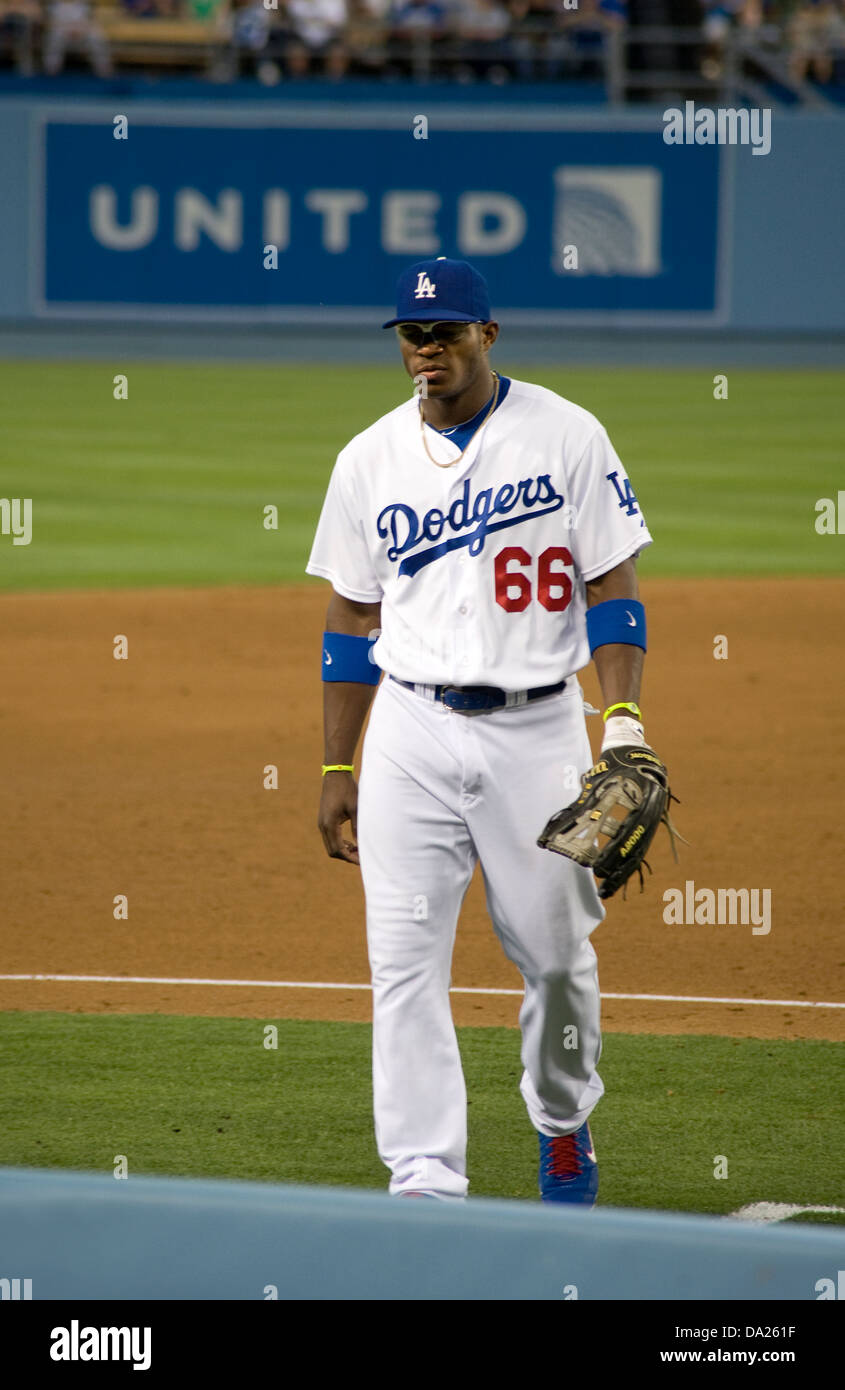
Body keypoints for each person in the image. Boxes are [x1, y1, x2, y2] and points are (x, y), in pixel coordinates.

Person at [307, 256, 661, 1203]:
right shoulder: (366, 459)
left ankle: (560, 1125)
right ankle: (424, 1180)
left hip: (539, 732)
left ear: (486, 336)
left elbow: (611, 589)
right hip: (410, 736)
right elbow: (349, 620)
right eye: (412, 335)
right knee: (402, 964)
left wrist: (619, 720)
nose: (427, 350)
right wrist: (337, 762)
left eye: (446, 332)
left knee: (554, 960)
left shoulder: (567, 435)